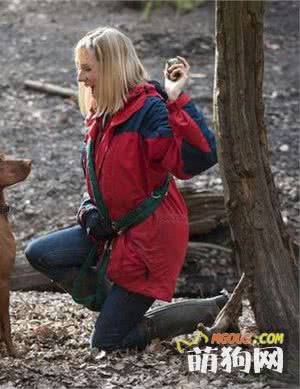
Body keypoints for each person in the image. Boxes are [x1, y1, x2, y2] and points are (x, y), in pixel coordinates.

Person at [25, 27, 227, 351]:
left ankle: (212, 308)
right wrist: (88, 210)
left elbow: (198, 158)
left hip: (151, 240)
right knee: (40, 253)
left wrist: (176, 101)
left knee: (107, 342)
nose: (80, 78)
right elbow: (96, 181)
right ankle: (116, 310)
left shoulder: (150, 110)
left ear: (112, 67)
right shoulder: (101, 114)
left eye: (87, 68)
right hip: (111, 233)